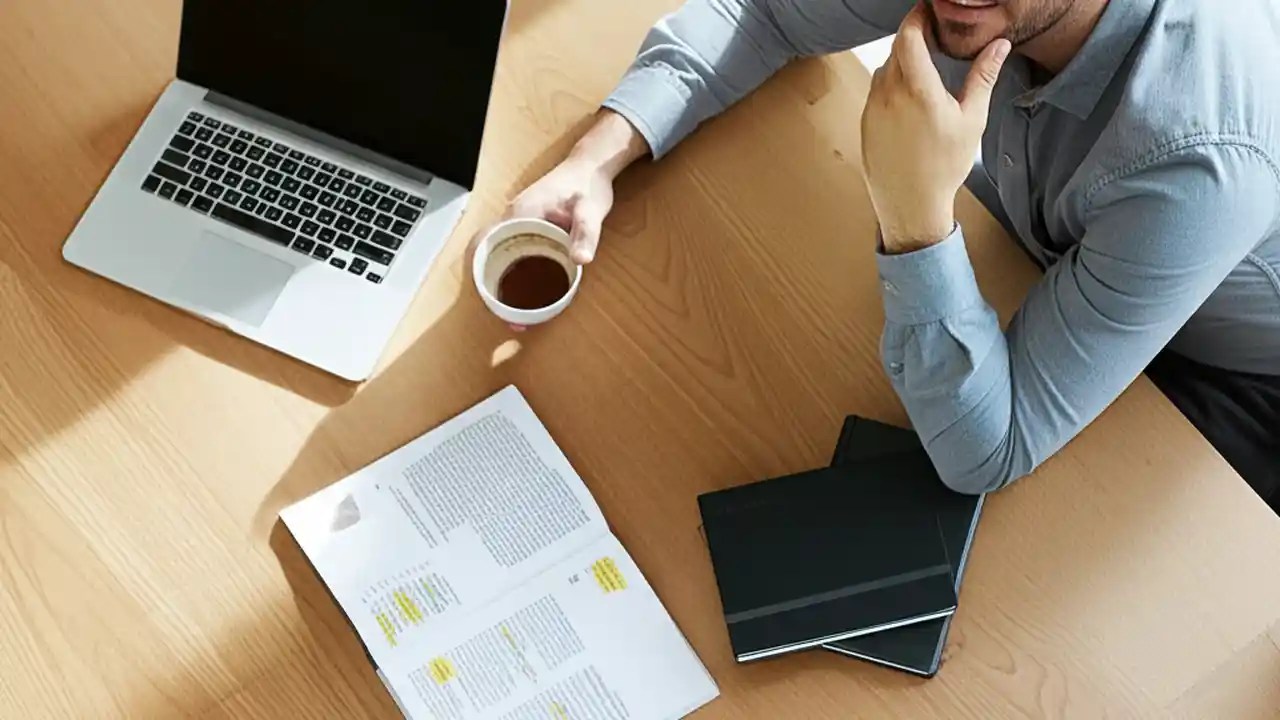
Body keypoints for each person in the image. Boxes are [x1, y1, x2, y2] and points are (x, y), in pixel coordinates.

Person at [488, 0, 1280, 512]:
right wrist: (597, 158)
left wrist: (915, 216)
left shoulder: (1203, 155)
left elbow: (990, 449)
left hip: (1222, 366)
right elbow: (765, 13)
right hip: (1041, 250)